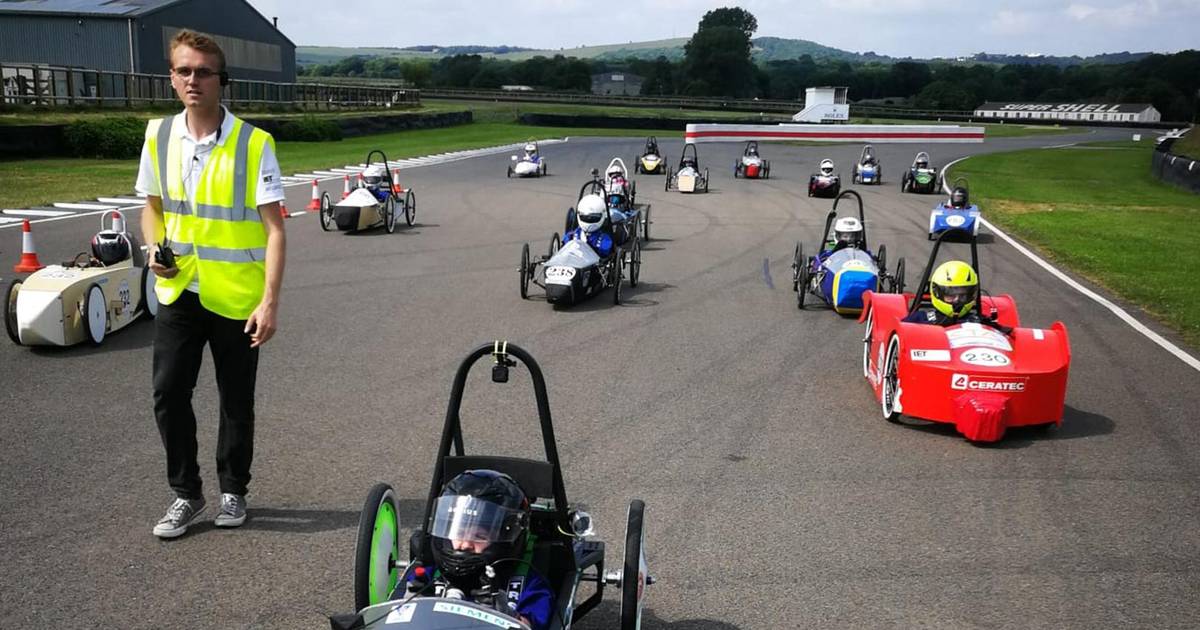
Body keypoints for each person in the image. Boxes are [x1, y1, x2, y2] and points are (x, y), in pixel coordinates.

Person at [138, 30, 286, 539]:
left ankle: (233, 489)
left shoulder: (254, 143)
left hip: (237, 295)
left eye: (203, 71)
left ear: (223, 80)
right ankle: (186, 493)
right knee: (167, 393)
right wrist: (155, 252)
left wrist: (269, 301)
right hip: (179, 290)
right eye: (184, 70)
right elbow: (152, 208)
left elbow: (275, 229)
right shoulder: (157, 135)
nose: (193, 79)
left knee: (235, 400)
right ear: (172, 79)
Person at [401, 470, 555, 629]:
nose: (465, 544)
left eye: (479, 537)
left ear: (506, 538)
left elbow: (533, 624)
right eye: (459, 533)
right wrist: (413, 603)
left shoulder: (531, 584)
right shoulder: (429, 574)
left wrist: (506, 614)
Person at [903, 261, 1010, 332]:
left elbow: (1006, 333)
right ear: (937, 293)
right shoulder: (921, 318)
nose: (957, 300)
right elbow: (898, 333)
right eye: (951, 295)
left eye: (963, 296)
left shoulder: (979, 320)